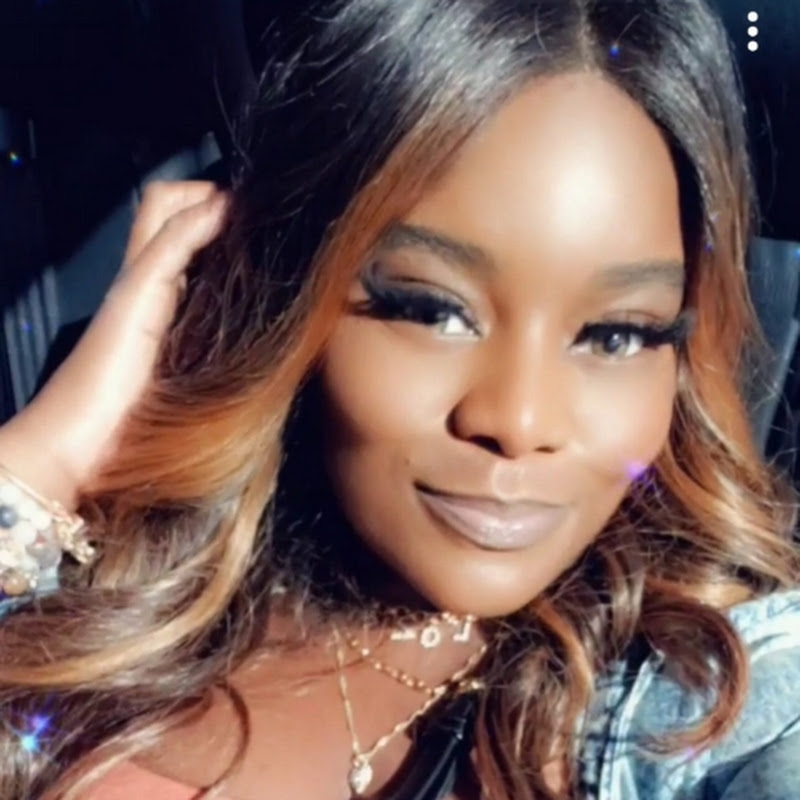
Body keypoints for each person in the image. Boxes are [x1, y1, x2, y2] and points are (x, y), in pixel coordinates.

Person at [0, 1, 798, 798]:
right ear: (290, 293)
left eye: (617, 335)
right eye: (432, 310)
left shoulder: (713, 697)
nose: (519, 422)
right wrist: (50, 458)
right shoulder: (118, 584)